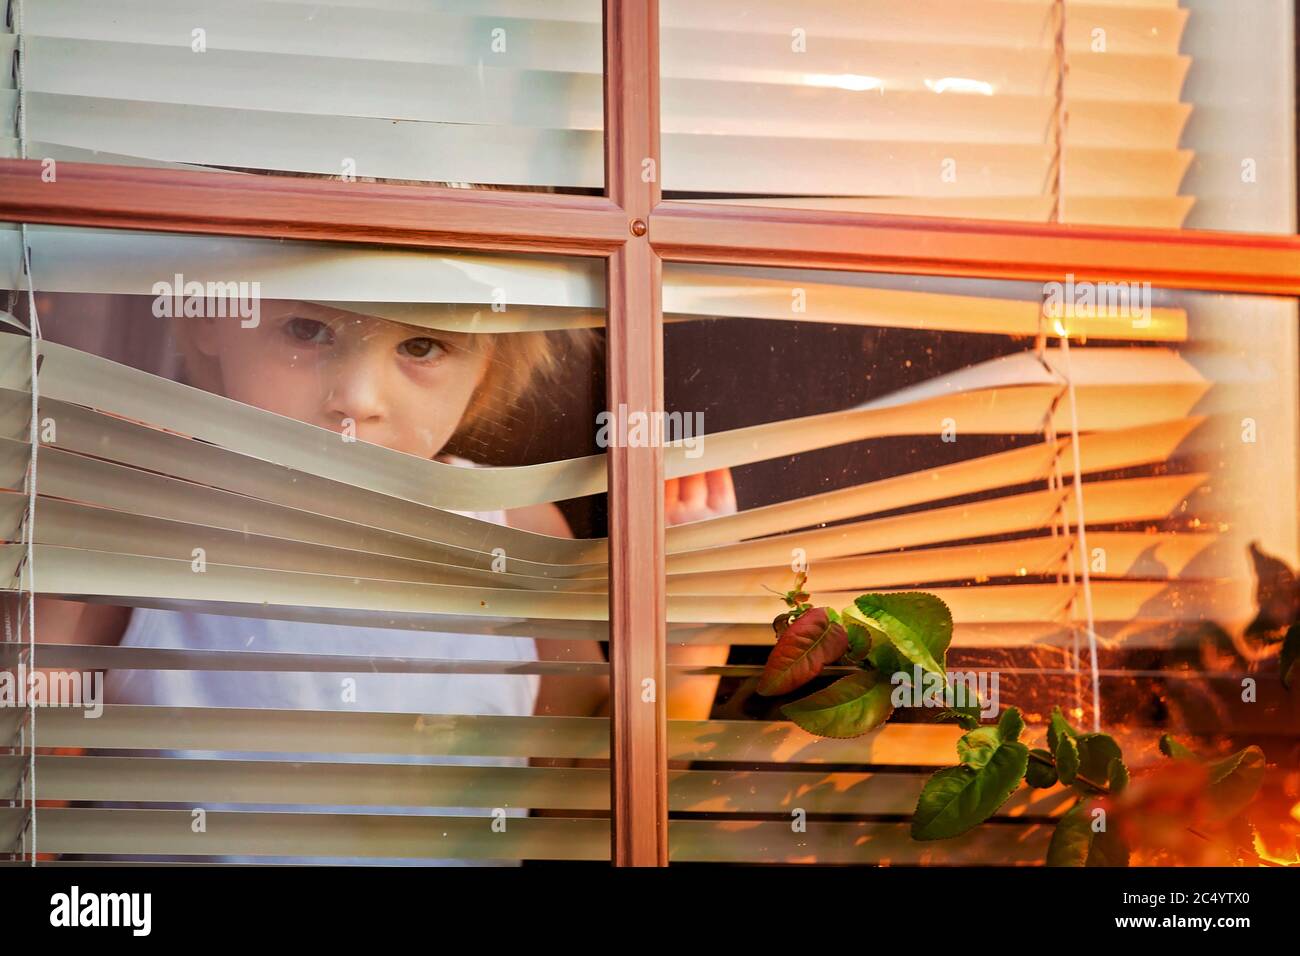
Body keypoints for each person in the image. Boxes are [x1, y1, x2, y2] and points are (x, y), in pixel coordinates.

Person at [26, 297, 736, 863]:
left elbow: (581, 793)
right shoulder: (144, 518)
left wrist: (682, 648)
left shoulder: (514, 529)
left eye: (422, 345)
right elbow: (28, 755)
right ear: (211, 321)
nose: (356, 399)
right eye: (307, 329)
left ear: (491, 356)